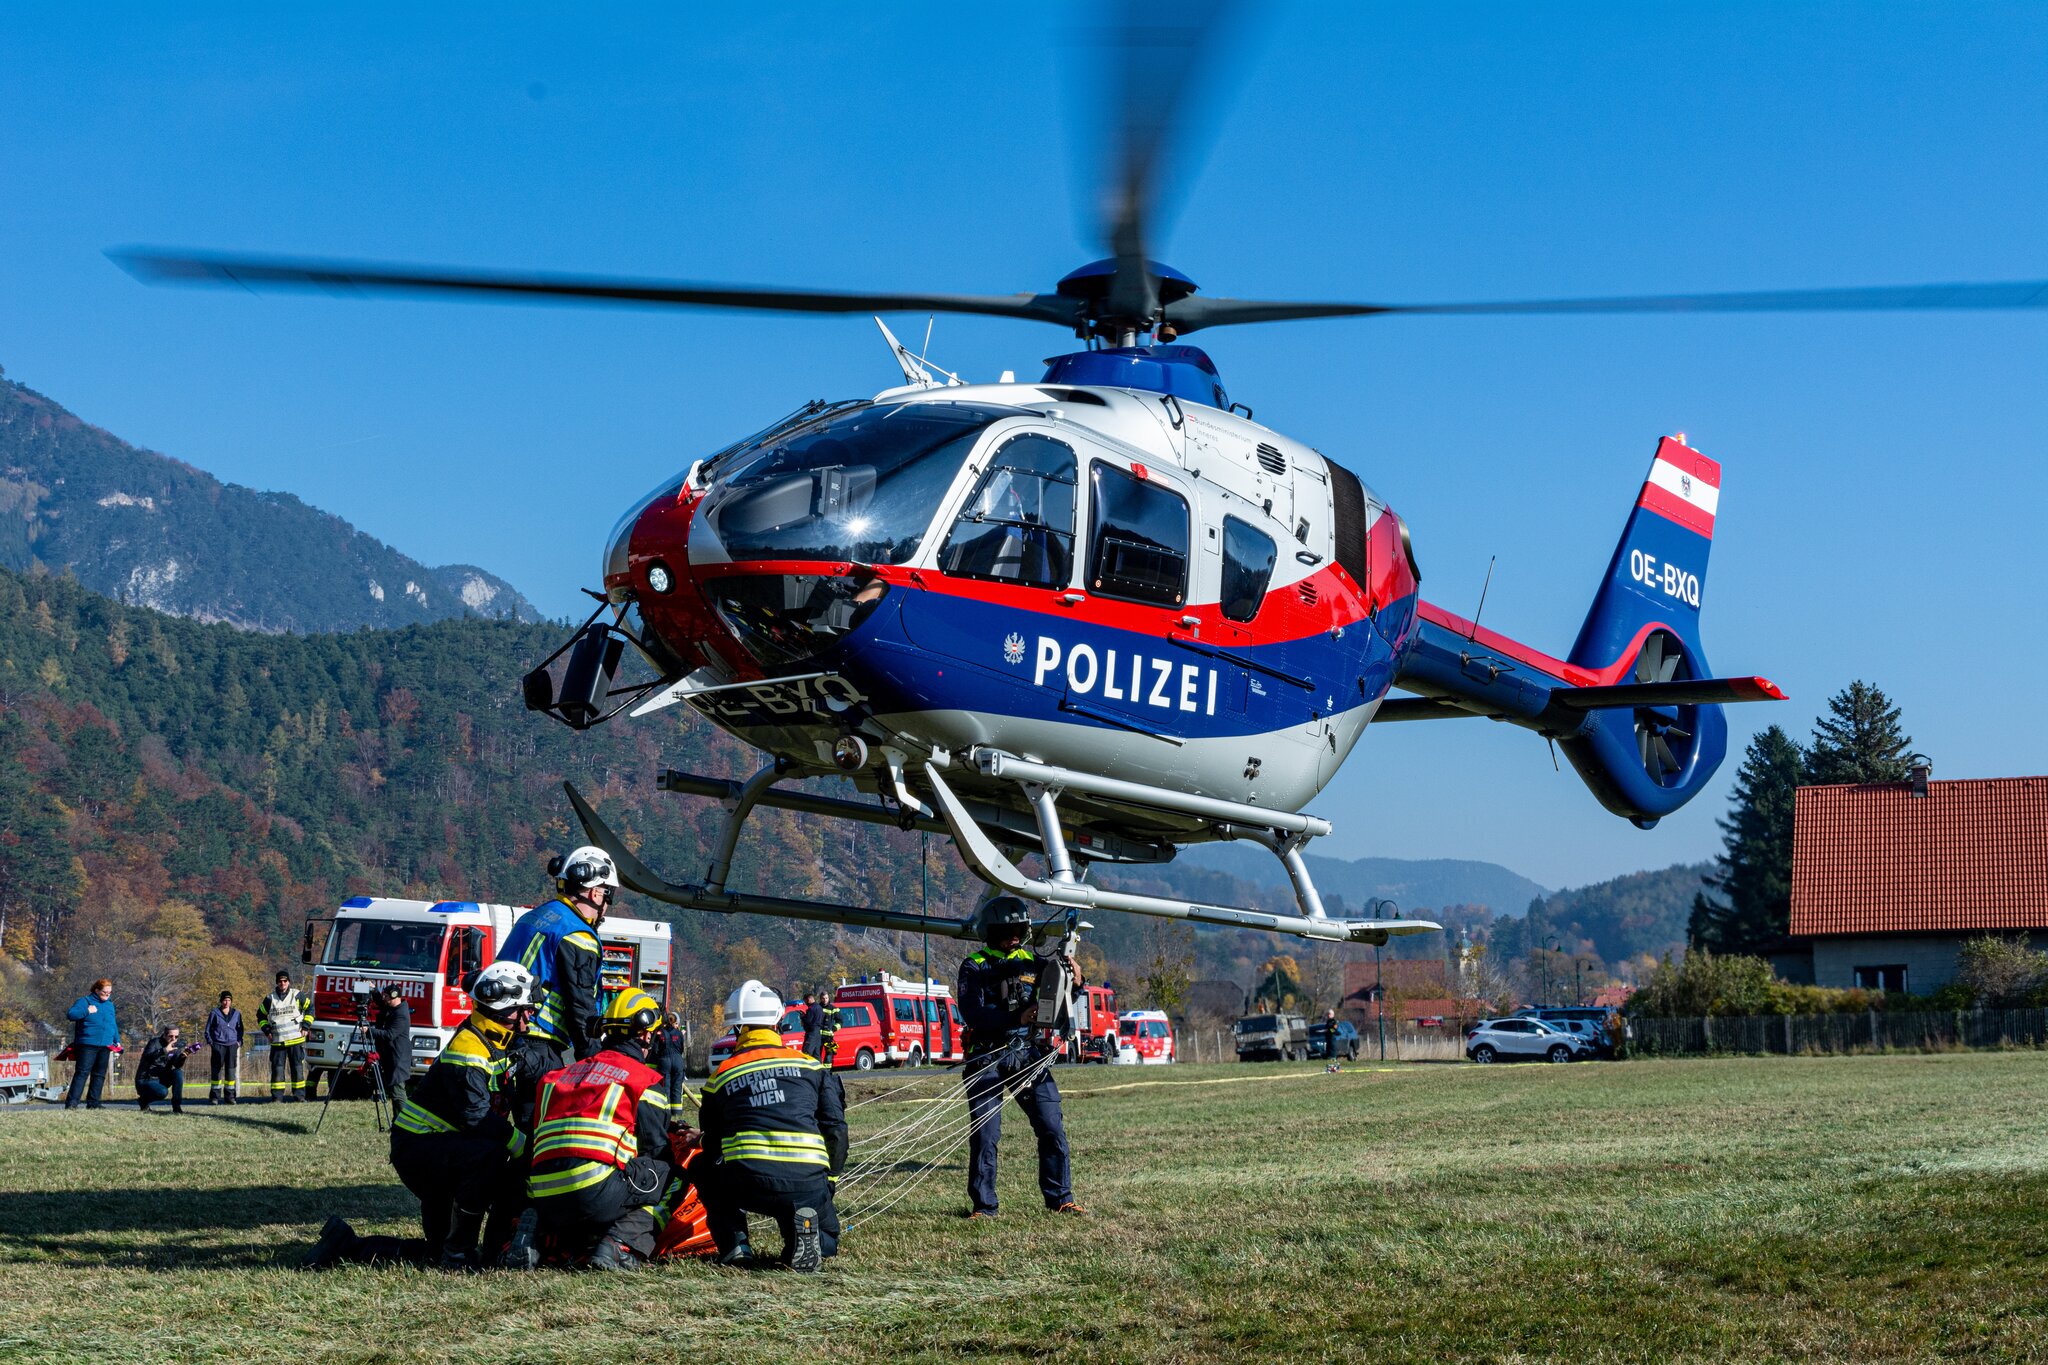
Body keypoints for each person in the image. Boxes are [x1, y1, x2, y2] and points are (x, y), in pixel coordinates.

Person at [304, 962, 539, 1271]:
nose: (529, 1015)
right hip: (422, 1149)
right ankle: (460, 1252)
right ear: (501, 1009)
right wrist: (521, 1143)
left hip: (436, 1149)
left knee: (433, 1254)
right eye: (523, 1008)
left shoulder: (493, 1040)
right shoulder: (469, 1051)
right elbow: (477, 1118)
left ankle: (346, 1245)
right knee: (492, 1154)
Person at [511, 987, 675, 1270]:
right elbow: (654, 1148)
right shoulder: (643, 1079)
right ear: (646, 1034)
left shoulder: (556, 1076)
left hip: (543, 1193)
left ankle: (532, 1233)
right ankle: (620, 1245)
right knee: (669, 1172)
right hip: (593, 1192)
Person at [696, 979, 846, 1271]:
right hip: (807, 1182)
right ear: (778, 1022)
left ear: (737, 1028)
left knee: (703, 1167)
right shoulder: (812, 1067)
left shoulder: (720, 1077)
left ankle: (735, 1245)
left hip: (748, 1184)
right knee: (827, 1234)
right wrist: (830, 1180)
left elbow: (712, 1141)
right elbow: (836, 1128)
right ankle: (805, 1239)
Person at [957, 897, 1083, 1219]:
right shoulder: (974, 966)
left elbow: (1060, 994)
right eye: (1007, 930)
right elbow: (974, 1013)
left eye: (1018, 930)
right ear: (991, 931)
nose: (1014, 936)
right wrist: (1017, 1017)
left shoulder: (1035, 962)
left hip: (1029, 1056)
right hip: (987, 1057)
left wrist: (1076, 982)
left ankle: (1060, 1199)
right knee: (986, 1135)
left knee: (1051, 1126)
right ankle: (984, 1207)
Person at [494, 845, 612, 1077]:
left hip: (502, 1035)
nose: (606, 907)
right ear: (595, 893)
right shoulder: (577, 935)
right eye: (608, 894)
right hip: (538, 1043)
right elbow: (580, 1007)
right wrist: (594, 1062)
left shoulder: (533, 917)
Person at [63, 978, 118, 1110]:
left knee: (99, 1074)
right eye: (104, 992)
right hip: (87, 1044)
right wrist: (87, 1011)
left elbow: (113, 1024)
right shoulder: (84, 1001)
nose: (107, 995)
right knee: (82, 1073)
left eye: (109, 993)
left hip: (105, 1044)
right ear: (96, 990)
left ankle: (93, 1103)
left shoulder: (109, 1005)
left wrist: (117, 1040)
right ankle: (72, 1103)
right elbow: (71, 1014)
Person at [259, 970, 310, 1102]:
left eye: (285, 981)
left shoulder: (297, 995)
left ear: (289, 982)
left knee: (297, 1069)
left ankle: (299, 1097)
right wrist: (266, 1030)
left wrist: (306, 1026)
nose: (282, 983)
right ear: (277, 982)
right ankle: (277, 1098)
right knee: (277, 1071)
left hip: (296, 1040)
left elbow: (311, 1008)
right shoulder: (270, 998)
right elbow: (260, 1015)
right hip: (278, 1042)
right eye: (280, 981)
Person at [136, 1025, 196, 1113]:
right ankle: (143, 1101)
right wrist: (164, 1050)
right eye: (171, 1036)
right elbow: (147, 1057)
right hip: (146, 1079)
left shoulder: (175, 1046)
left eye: (176, 1036)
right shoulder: (154, 1043)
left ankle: (177, 1106)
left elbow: (177, 1065)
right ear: (164, 1035)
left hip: (162, 1077)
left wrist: (183, 1057)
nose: (173, 1039)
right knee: (162, 1092)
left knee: (178, 1072)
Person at [370, 984, 414, 1101]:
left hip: (398, 1058)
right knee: (394, 1091)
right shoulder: (393, 1008)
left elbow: (390, 1034)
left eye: (386, 996)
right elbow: (380, 1002)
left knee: (397, 1093)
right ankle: (397, 1119)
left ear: (394, 996)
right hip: (391, 1055)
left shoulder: (401, 1014)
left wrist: (369, 1031)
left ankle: (402, 1118)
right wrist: (374, 989)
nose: (383, 998)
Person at [647, 1011, 690, 1122]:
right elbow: (681, 1048)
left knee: (665, 1087)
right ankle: (677, 1113)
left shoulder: (660, 1033)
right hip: (678, 1061)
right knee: (676, 1088)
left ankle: (665, 1111)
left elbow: (655, 1050)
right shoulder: (679, 1033)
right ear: (675, 1022)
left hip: (664, 1061)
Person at [204, 990, 245, 1104]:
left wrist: (239, 1042)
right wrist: (211, 1042)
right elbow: (208, 1030)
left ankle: (230, 1097)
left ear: (231, 1001)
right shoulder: (214, 1013)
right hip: (218, 1045)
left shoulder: (236, 1013)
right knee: (216, 1071)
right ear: (221, 1001)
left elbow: (240, 1029)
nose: (226, 1002)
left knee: (230, 1071)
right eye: (224, 1000)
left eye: (229, 1000)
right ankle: (215, 1097)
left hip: (232, 1045)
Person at [801, 991, 824, 1059]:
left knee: (806, 1052)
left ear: (809, 999)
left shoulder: (811, 1009)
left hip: (811, 1033)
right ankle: (820, 1069)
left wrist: (803, 1017)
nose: (805, 1003)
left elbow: (808, 1021)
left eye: (805, 1001)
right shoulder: (819, 1008)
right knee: (816, 1055)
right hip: (818, 1033)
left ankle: (806, 1069)